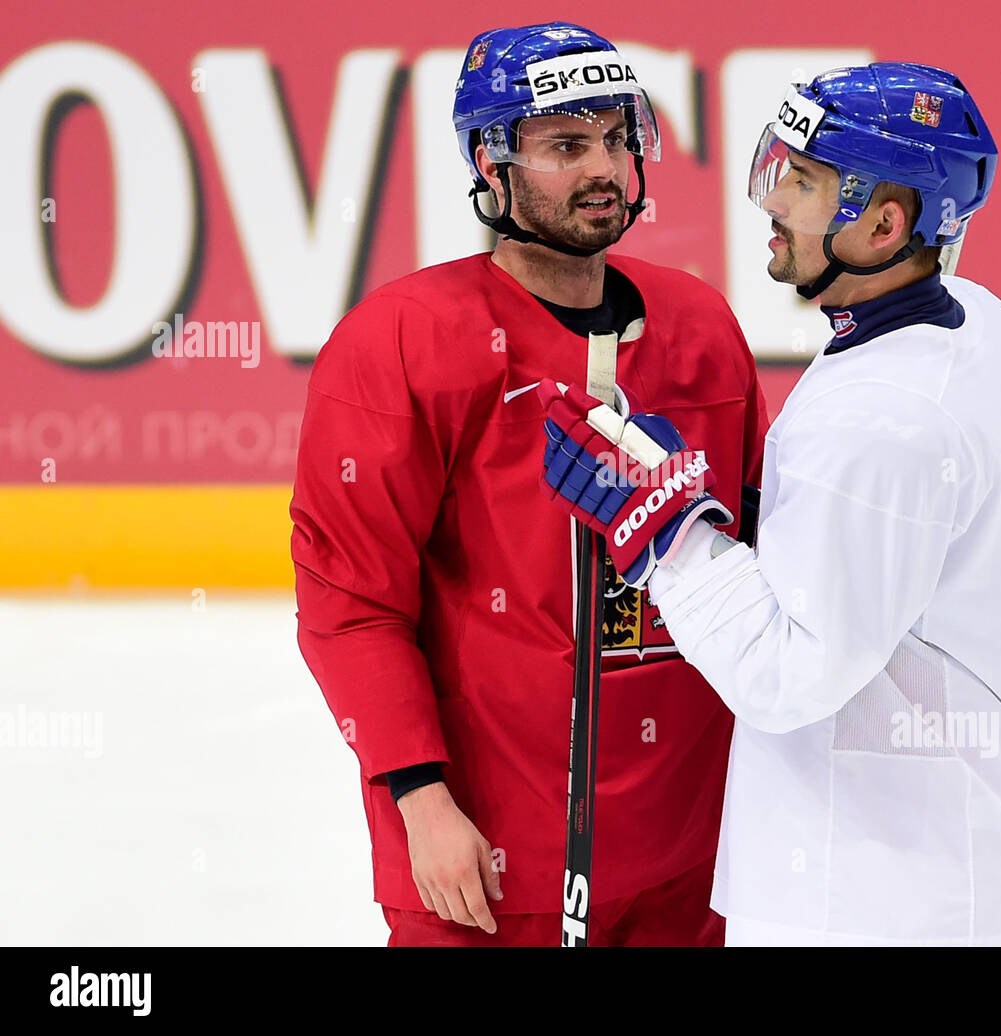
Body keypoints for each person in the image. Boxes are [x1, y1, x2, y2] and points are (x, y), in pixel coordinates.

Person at [538, 63, 1001, 946]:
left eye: (802, 183)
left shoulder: (881, 420)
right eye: (777, 167)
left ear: (883, 223)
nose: (772, 202)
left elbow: (787, 679)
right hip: (978, 847)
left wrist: (664, 531)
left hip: (893, 895)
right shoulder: (978, 322)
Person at [290, 21, 767, 947]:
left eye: (618, 138)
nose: (605, 168)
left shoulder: (701, 326)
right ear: (491, 162)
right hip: (482, 866)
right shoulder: (401, 342)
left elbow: (760, 556)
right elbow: (349, 605)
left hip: (688, 859)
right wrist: (420, 804)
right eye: (565, 145)